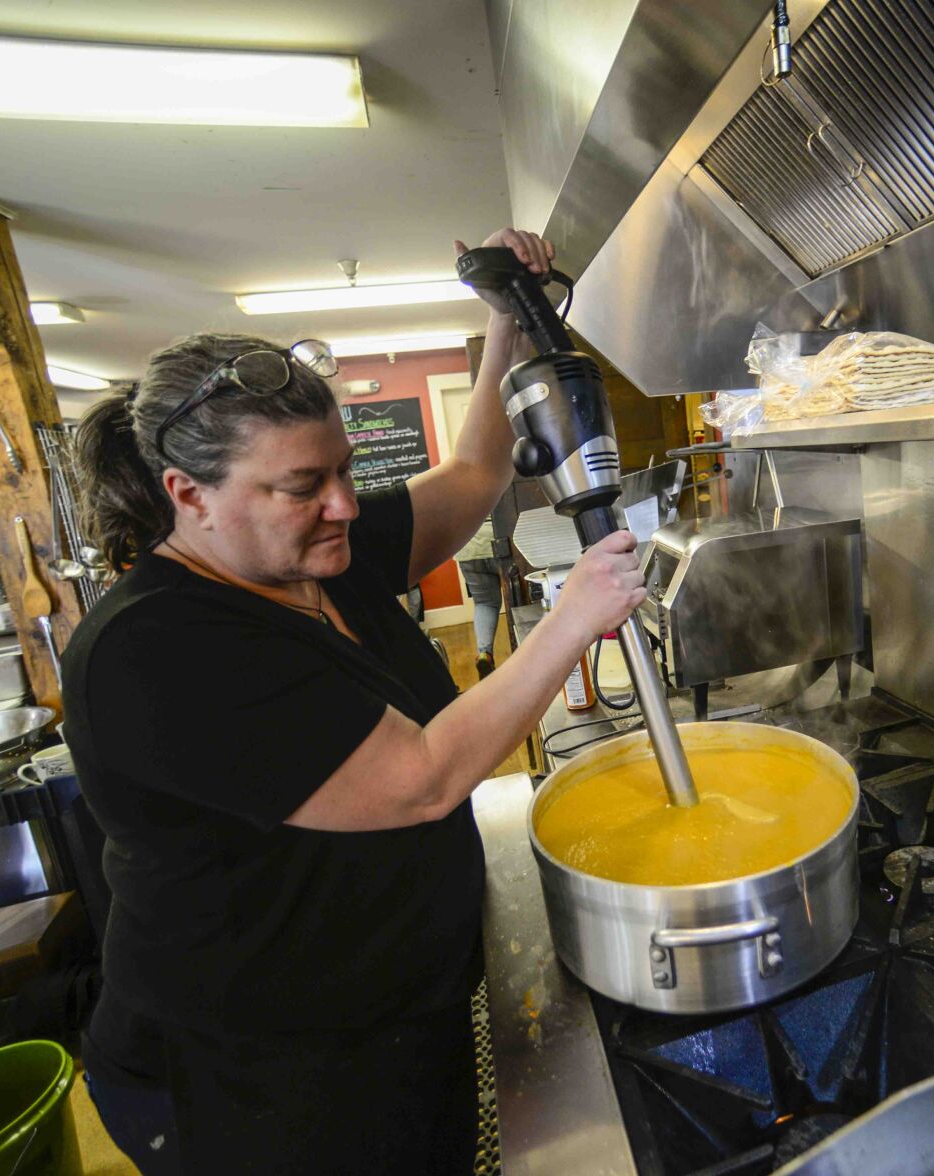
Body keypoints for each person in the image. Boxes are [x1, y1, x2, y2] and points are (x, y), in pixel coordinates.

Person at [61, 228, 645, 1175]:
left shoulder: (317, 553)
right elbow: (420, 780)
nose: (342, 504)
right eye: (304, 486)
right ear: (188, 494)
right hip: (261, 1075)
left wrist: (502, 325)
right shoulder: (154, 650)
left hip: (390, 1019)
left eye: (343, 471)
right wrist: (572, 618)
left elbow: (474, 475)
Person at [455, 518, 504, 676]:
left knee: (485, 603)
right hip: (500, 542)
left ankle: (484, 653)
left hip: (468, 547)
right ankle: (526, 653)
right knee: (518, 601)